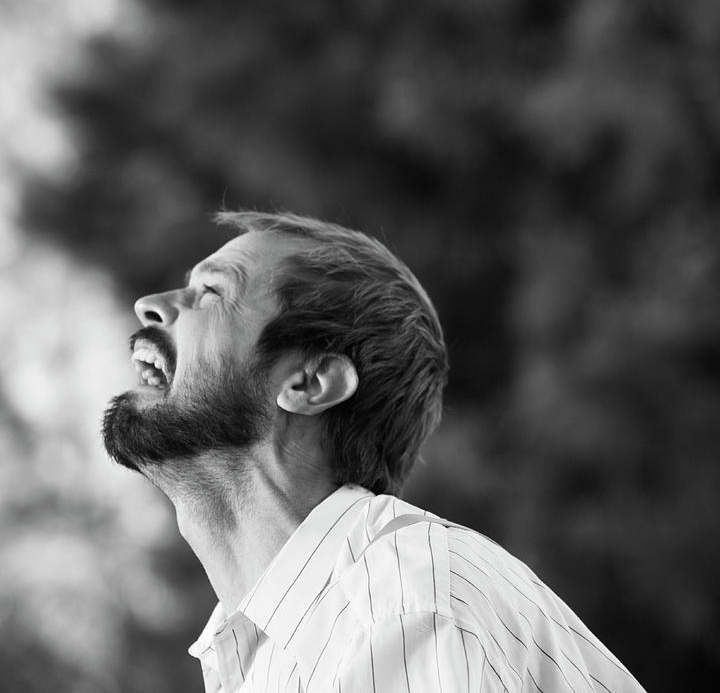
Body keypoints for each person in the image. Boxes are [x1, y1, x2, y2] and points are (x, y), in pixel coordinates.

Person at [103, 209, 646, 693]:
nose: (149, 306)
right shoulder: (267, 651)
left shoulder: (400, 604)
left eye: (213, 293)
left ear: (310, 382)